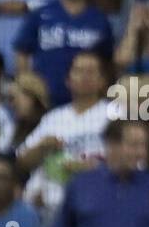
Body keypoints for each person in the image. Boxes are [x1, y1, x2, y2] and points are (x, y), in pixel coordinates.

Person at [16, 51, 116, 216]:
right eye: (78, 71)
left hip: (99, 198)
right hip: (52, 204)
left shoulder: (115, 114)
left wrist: (95, 168)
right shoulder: (53, 118)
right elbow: (22, 161)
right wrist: (42, 147)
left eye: (90, 72)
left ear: (103, 81)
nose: (84, 76)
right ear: (68, 80)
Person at [13, 0, 114, 107]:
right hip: (44, 101)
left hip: (87, 101)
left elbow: (107, 62)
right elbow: (22, 53)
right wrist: (27, 88)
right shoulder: (41, 13)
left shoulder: (99, 19)